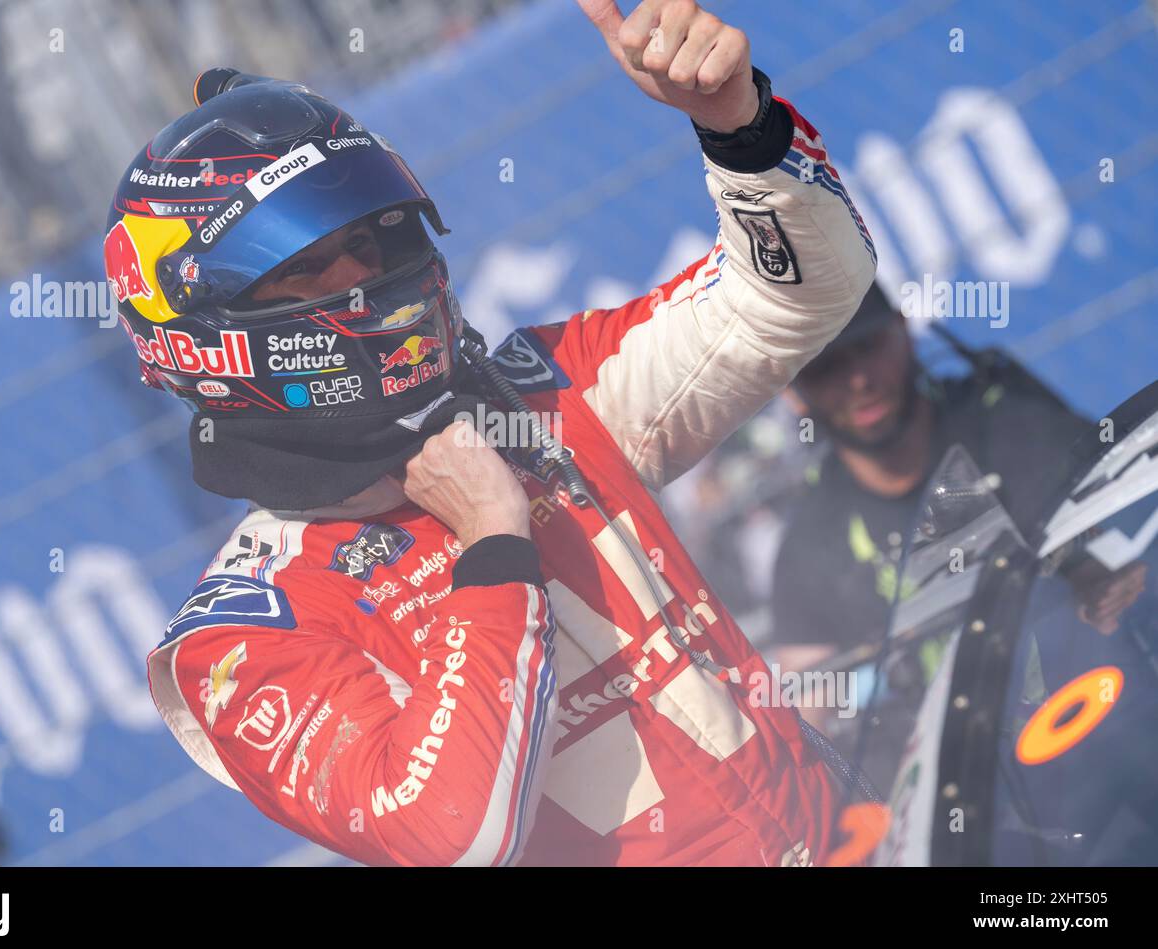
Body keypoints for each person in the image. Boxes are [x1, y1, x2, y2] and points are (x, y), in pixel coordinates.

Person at [110, 0, 876, 866]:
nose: (364, 277)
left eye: (374, 238)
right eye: (307, 267)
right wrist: (491, 548)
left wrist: (738, 126)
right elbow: (452, 836)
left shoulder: (543, 397)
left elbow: (803, 294)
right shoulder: (244, 636)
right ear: (200, 332)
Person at [768, 282, 1092, 670]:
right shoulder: (809, 546)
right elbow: (805, 714)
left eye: (869, 346)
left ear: (904, 330)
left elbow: (1121, 558)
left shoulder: (1018, 428)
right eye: (826, 366)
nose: (859, 380)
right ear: (791, 392)